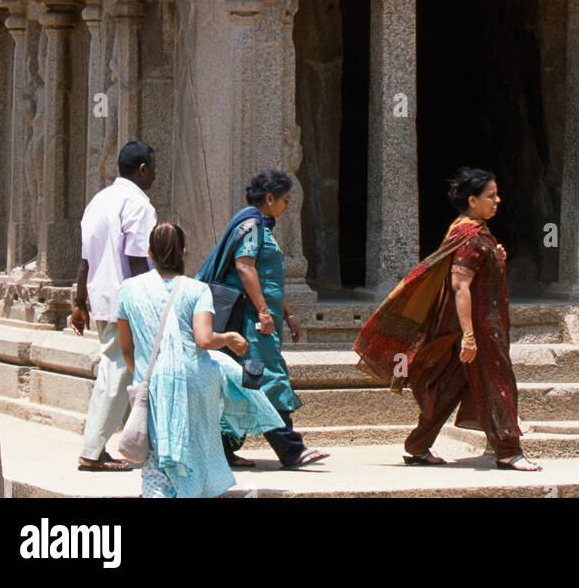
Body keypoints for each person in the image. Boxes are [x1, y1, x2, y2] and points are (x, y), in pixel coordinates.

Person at [354, 167, 541, 472]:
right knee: (499, 383)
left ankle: (417, 447)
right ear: (472, 200)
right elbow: (460, 287)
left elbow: (479, 273)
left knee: (449, 386)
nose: (498, 200)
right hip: (478, 328)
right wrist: (469, 336)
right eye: (490, 195)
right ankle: (508, 451)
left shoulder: (473, 232)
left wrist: (496, 254)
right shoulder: (469, 237)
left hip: (473, 327)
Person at [117, 221, 284, 498]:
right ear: (183, 252)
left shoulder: (129, 290)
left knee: (157, 463)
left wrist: (149, 376)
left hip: (152, 387)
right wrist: (230, 337)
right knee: (196, 456)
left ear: (149, 252)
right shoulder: (197, 290)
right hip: (195, 385)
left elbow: (126, 349)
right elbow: (205, 340)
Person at [197, 169, 327, 470]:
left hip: (261, 320)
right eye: (284, 199)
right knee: (267, 377)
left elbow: (270, 280)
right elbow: (245, 269)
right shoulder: (254, 227)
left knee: (243, 384)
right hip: (253, 324)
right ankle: (290, 450)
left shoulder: (258, 228)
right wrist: (264, 312)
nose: (287, 205)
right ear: (269, 199)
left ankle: (222, 451)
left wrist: (290, 315)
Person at [70, 141, 157, 472]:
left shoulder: (99, 200)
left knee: (117, 372)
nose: (155, 175)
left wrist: (79, 303)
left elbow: (85, 259)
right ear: (143, 169)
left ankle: (109, 446)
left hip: (102, 299)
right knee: (115, 374)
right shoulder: (138, 204)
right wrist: (148, 304)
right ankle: (91, 451)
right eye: (153, 168)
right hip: (126, 303)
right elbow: (138, 260)